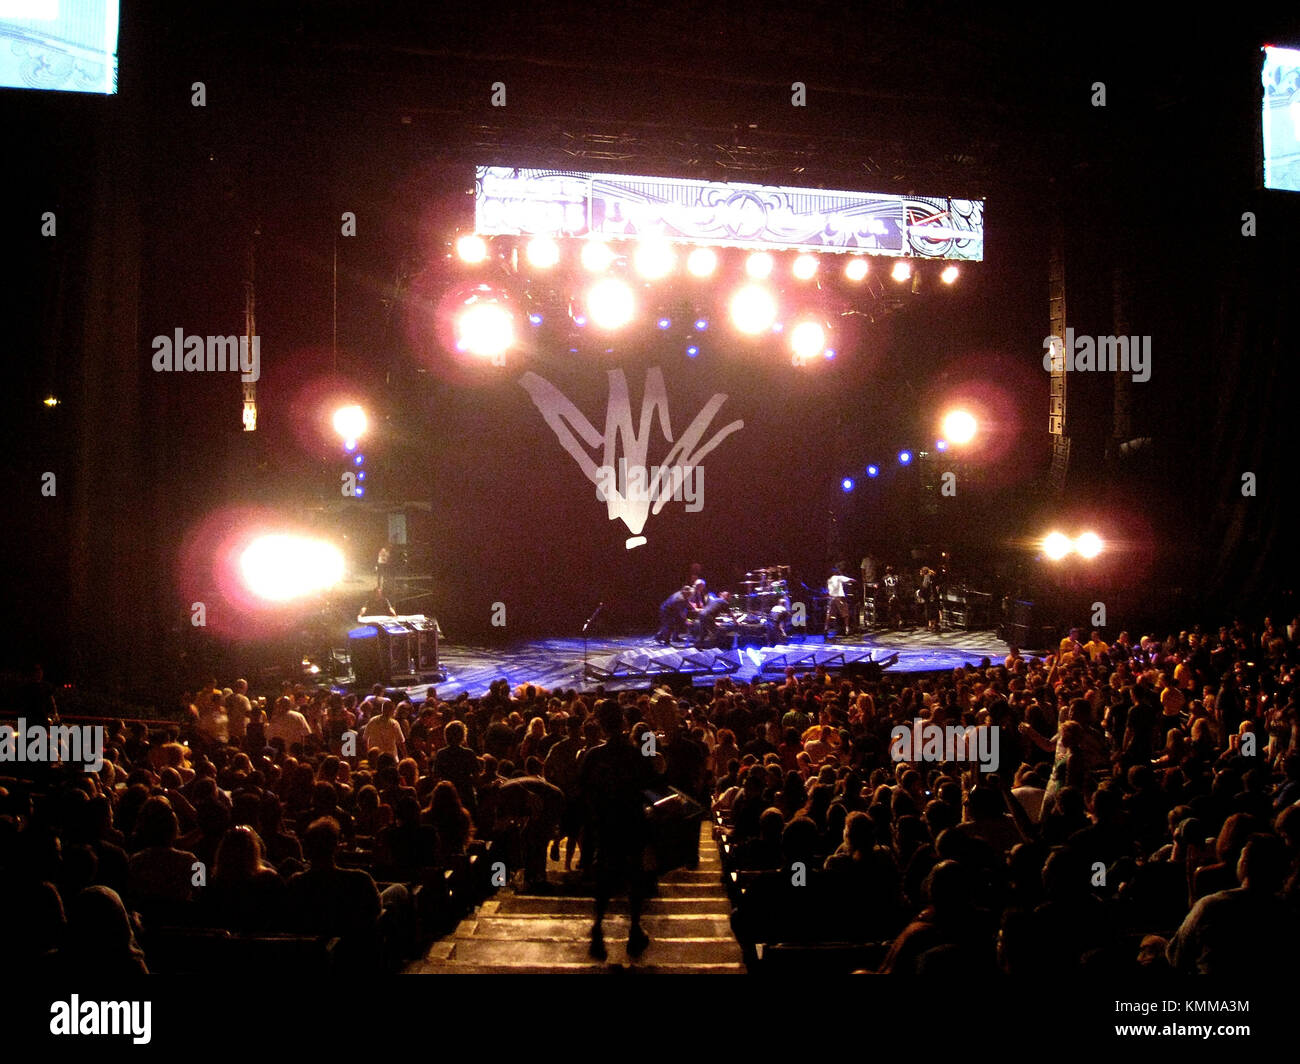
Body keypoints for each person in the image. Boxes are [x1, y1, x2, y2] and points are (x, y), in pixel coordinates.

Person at [579, 700, 657, 960]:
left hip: (604, 823)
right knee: (634, 874)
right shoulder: (636, 755)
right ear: (623, 723)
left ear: (601, 724)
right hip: (632, 822)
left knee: (604, 874)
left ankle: (598, 926)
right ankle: (634, 928)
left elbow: (582, 791)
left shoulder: (593, 755)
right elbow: (651, 786)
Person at [824, 566, 853, 638]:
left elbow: (827, 590)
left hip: (831, 598)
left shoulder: (829, 580)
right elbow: (852, 580)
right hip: (839, 598)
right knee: (845, 614)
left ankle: (826, 629)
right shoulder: (839, 577)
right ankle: (847, 629)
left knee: (829, 614)